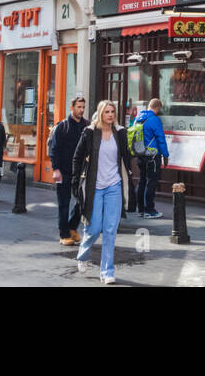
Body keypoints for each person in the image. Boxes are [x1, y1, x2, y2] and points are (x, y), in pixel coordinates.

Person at [71, 99, 134, 284]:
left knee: (110, 230)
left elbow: (126, 156)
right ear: (100, 113)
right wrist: (75, 180)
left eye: (112, 111)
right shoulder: (90, 132)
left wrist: (127, 173)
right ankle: (83, 255)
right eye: (107, 112)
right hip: (95, 187)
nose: (110, 115)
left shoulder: (120, 133)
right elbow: (77, 156)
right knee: (94, 227)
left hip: (114, 186)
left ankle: (107, 272)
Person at [48, 97, 88, 245]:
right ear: (72, 108)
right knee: (64, 203)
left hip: (80, 172)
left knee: (83, 201)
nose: (81, 110)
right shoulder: (62, 126)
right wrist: (56, 169)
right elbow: (54, 150)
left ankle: (72, 227)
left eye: (83, 107)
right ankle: (64, 234)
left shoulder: (86, 125)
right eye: (79, 107)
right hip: (63, 171)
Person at [130, 98, 170, 218]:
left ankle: (141, 209)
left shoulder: (138, 118)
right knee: (151, 182)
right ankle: (150, 210)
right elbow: (161, 139)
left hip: (140, 155)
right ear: (157, 108)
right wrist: (165, 155)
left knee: (142, 181)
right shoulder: (154, 119)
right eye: (159, 109)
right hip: (152, 156)